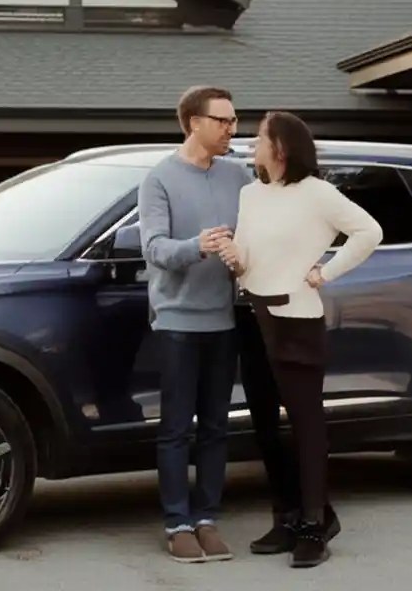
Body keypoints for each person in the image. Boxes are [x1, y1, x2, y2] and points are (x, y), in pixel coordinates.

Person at [217, 111, 382, 568]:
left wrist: (325, 272)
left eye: (259, 138)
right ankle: (287, 516)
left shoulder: (317, 193)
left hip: (295, 318)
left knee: (307, 426)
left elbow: (369, 232)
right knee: (265, 425)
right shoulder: (251, 194)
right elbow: (249, 260)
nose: (251, 145)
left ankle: (314, 525)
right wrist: (233, 255)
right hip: (252, 314)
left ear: (281, 148)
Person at [137, 85, 252, 563]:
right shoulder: (159, 179)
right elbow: (154, 248)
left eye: (233, 120)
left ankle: (206, 517)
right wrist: (198, 246)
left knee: (216, 427)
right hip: (177, 322)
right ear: (194, 123)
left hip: (225, 319)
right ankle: (177, 523)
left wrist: (240, 255)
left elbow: (255, 237)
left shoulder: (239, 175)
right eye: (223, 121)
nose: (232, 129)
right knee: (176, 428)